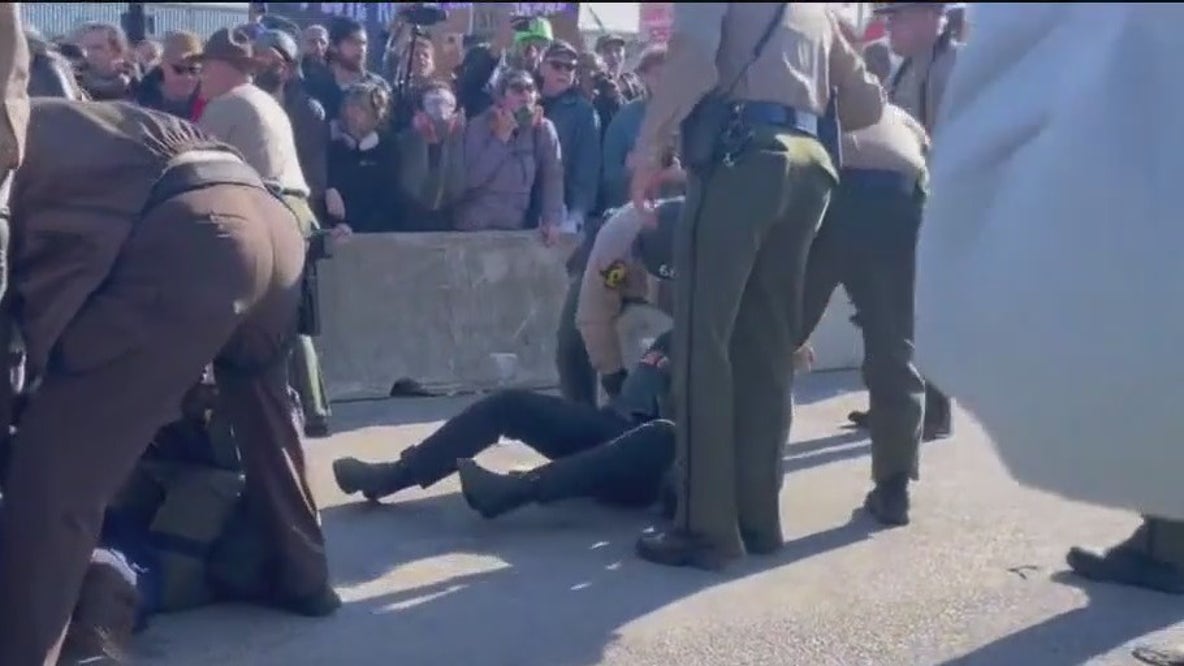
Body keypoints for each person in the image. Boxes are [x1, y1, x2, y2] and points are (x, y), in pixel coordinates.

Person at [0, 98, 339, 665]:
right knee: (268, 419)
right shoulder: (75, 119)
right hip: (270, 221)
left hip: (194, 236)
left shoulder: (13, 137)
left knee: (56, 476)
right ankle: (307, 579)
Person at [629, 3, 886, 571]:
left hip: (740, 158)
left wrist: (649, 150)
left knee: (703, 342)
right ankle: (758, 519)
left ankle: (704, 527)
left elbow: (692, 54)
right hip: (811, 167)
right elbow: (867, 105)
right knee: (768, 348)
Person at [332, 210, 683, 518]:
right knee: (510, 405)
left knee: (662, 436)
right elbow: (592, 321)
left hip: (656, 464)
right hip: (617, 429)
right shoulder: (625, 251)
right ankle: (396, 474)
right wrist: (612, 385)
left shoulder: (724, 337)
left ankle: (516, 490)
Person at [196, 27, 335, 438]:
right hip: (297, 214)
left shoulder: (226, 105)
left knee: (247, 322)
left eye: (206, 66)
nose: (202, 74)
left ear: (225, 67)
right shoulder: (267, 102)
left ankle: (236, 413)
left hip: (262, 213)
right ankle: (313, 408)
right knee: (292, 321)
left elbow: (194, 167)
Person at [798, 104, 930, 527]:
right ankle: (894, 490)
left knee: (775, 334)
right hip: (900, 204)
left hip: (833, 195)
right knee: (894, 349)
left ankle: (743, 479)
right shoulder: (901, 117)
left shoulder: (817, 103)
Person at [875, 0, 962, 441]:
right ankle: (895, 404)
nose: (890, 25)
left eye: (899, 16)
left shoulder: (955, 67)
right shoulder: (905, 68)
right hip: (903, 201)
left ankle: (934, 411)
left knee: (927, 312)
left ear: (932, 17)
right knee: (893, 309)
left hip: (940, 204)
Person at [555, 199, 683, 407]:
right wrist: (613, 376)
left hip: (684, 283)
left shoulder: (717, 233)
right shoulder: (616, 244)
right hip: (621, 276)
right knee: (572, 342)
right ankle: (581, 416)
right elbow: (593, 317)